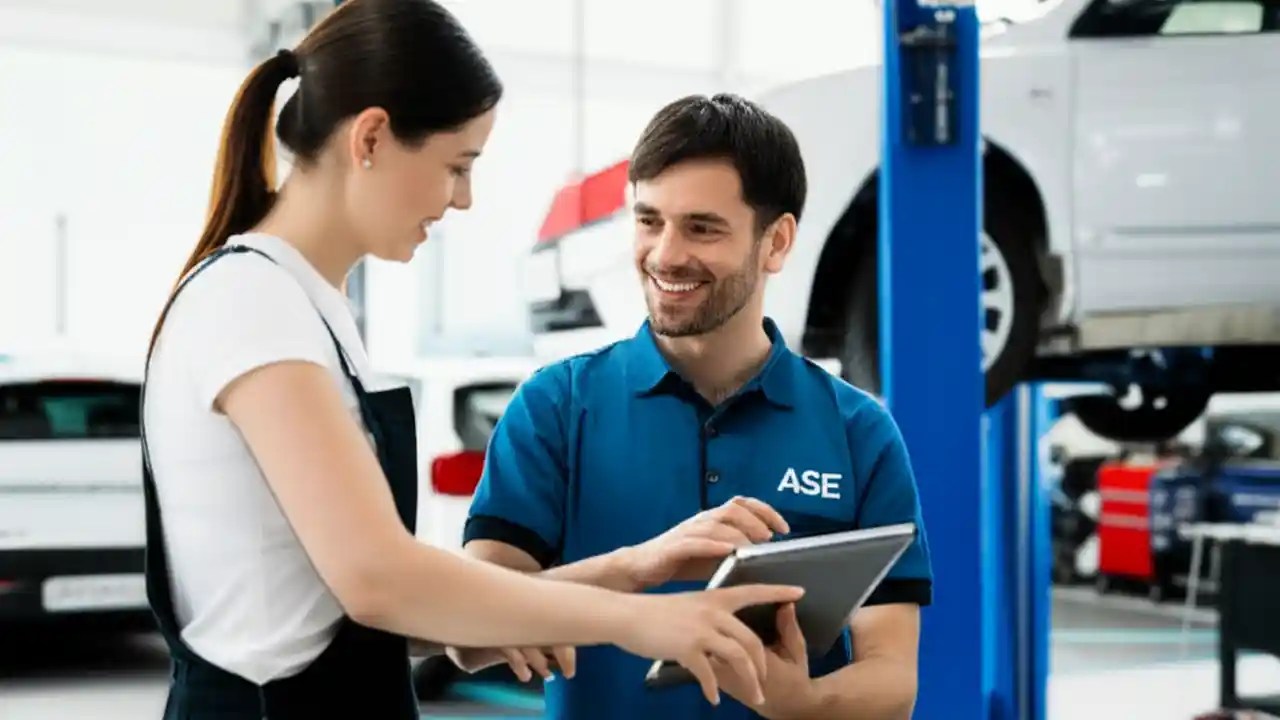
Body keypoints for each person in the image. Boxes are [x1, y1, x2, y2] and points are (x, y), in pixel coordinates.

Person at [140, 3, 803, 717]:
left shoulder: (308, 308)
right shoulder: (252, 301)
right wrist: (647, 620)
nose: (464, 198)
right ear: (371, 137)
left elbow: (398, 615)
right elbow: (379, 581)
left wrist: (634, 570)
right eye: (457, 166)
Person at [457, 93, 934, 720]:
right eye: (649, 220)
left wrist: (808, 703)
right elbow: (468, 634)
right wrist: (640, 568)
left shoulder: (859, 433)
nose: (665, 254)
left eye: (702, 228)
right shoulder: (554, 408)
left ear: (777, 242)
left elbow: (893, 678)